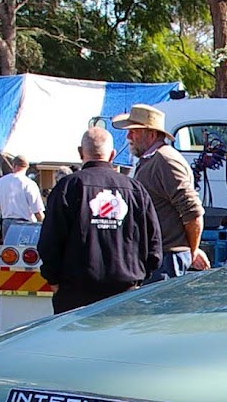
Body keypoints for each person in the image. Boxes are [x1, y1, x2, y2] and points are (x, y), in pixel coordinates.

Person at [37, 125, 163, 312]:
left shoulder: (68, 187)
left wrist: (53, 279)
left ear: (81, 153)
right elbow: (154, 244)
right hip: (124, 293)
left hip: (75, 295)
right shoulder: (134, 189)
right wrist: (139, 278)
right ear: (112, 155)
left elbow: (50, 241)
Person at [111, 103, 208, 275]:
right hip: (160, 256)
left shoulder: (165, 160)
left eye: (134, 131)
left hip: (168, 258)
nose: (128, 136)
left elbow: (193, 212)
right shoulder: (152, 159)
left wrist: (192, 251)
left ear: (152, 134)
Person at [0, 153, 44, 224]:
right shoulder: (29, 183)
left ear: (13, 165)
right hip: (24, 223)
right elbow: (37, 210)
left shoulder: (1, 181)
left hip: (6, 221)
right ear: (27, 167)